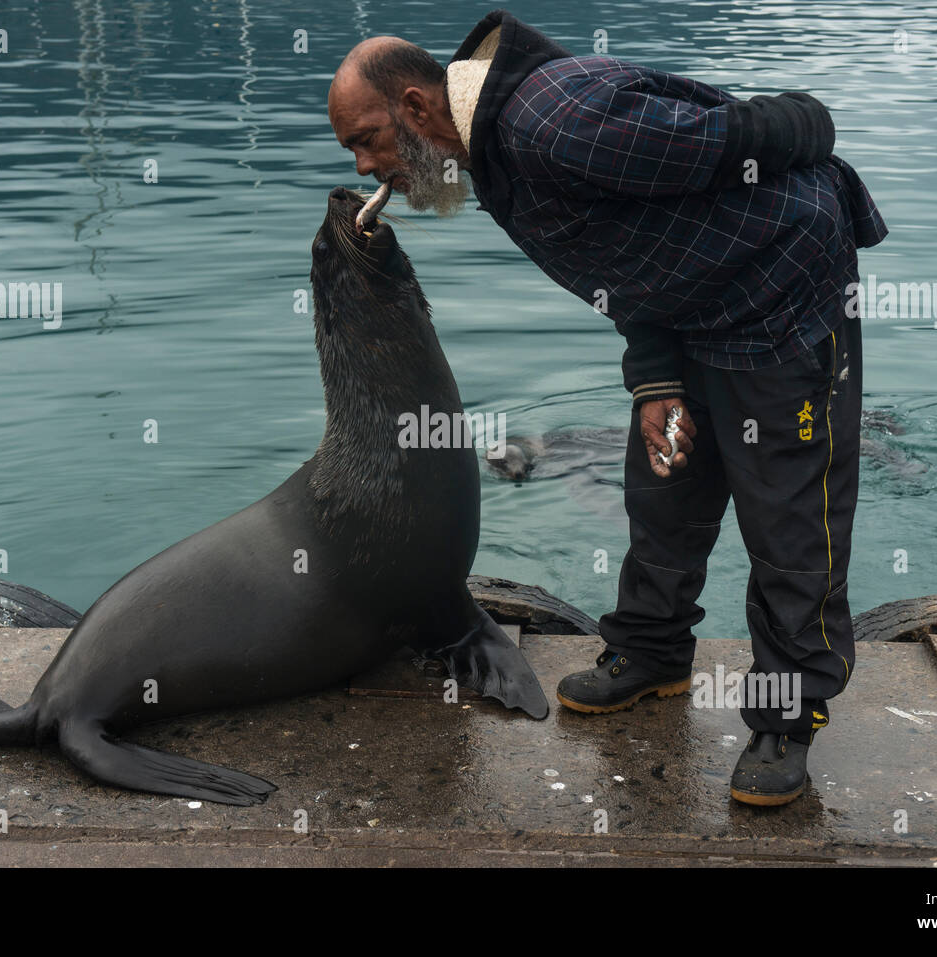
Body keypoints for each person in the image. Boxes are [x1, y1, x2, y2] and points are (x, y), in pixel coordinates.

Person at [327, 9, 887, 806]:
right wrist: (654, 379)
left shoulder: (559, 123)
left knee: (790, 518)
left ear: (416, 108)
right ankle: (653, 652)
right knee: (664, 483)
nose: (365, 165)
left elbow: (742, 134)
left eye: (366, 140)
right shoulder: (492, 162)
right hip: (693, 310)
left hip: (783, 299)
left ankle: (784, 720)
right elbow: (629, 258)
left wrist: (814, 119)